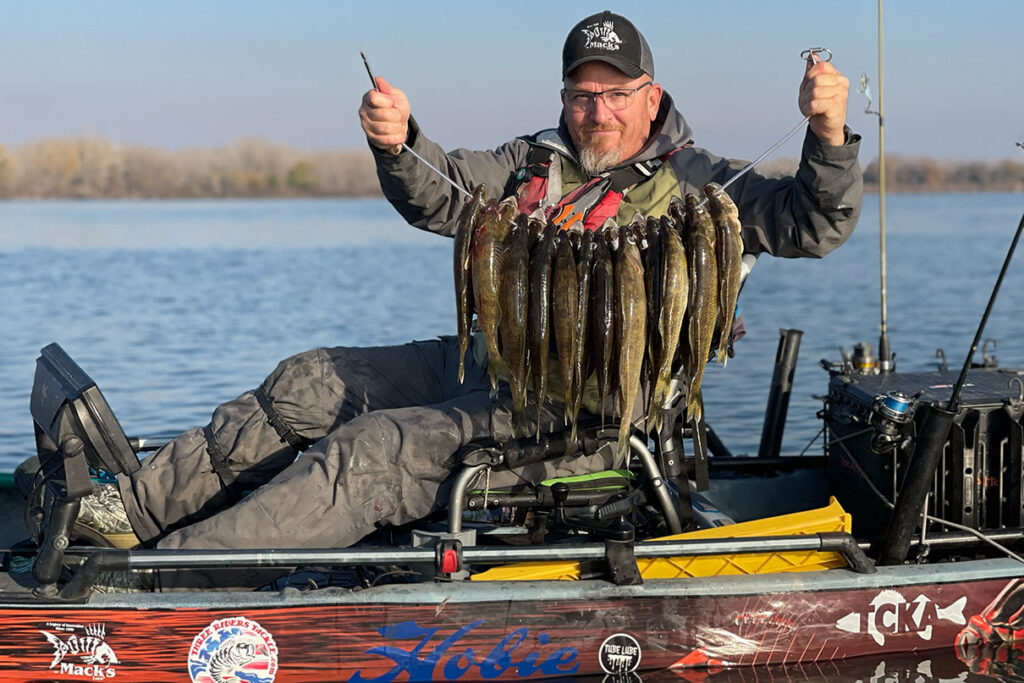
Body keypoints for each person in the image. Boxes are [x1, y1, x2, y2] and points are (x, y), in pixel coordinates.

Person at [69, 11, 861, 563]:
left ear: (650, 95)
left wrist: (828, 137)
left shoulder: (703, 188)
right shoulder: (529, 163)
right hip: (492, 367)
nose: (599, 111)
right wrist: (397, 141)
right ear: (563, 99)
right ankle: (123, 515)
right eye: (584, 95)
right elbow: (438, 189)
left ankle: (167, 575)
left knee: (373, 452)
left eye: (617, 93)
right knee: (309, 382)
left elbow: (813, 223)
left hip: (589, 419)